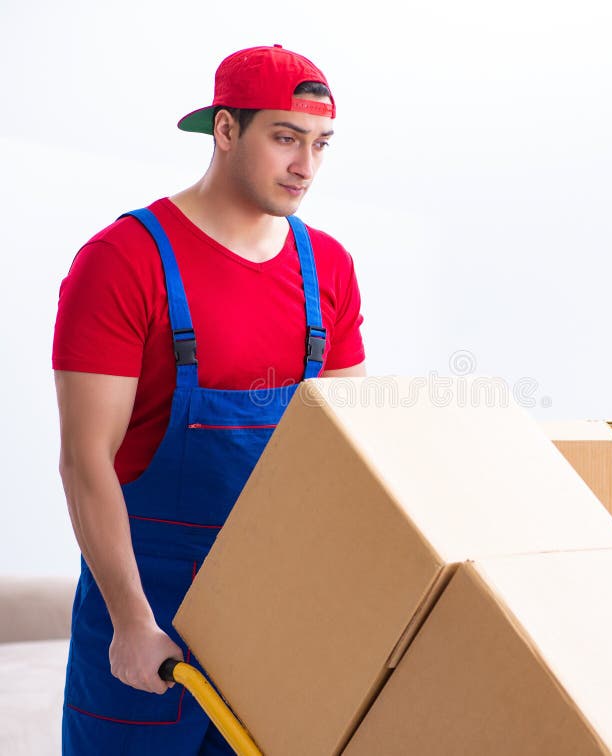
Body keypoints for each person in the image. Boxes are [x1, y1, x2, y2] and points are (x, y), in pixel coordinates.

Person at [53, 45, 366, 754]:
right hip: (147, 613)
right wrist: (132, 620)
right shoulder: (124, 261)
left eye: (320, 144)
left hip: (275, 621)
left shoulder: (329, 270)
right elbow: (84, 461)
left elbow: (351, 456)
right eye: (284, 138)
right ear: (225, 130)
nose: (305, 167)